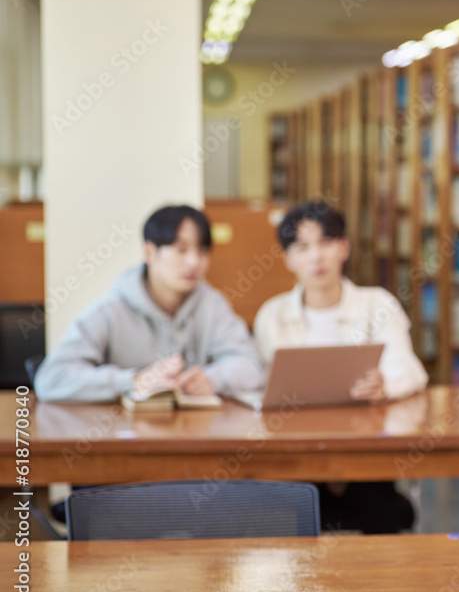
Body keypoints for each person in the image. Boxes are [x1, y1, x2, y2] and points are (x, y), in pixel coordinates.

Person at [254, 201, 427, 533]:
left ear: (344, 248)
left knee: (380, 512)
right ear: (288, 259)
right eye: (302, 247)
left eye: (326, 243)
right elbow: (259, 383)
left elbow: (410, 369)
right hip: (297, 452)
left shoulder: (377, 303)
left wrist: (384, 386)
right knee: (295, 519)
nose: (316, 257)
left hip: (367, 450)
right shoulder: (271, 316)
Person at [35, 205, 263, 402]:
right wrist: (133, 381)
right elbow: (51, 378)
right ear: (149, 252)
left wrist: (212, 380)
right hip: (126, 438)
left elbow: (251, 367)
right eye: (180, 250)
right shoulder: (112, 308)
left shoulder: (212, 304)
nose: (194, 262)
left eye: (202, 250)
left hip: (195, 436)